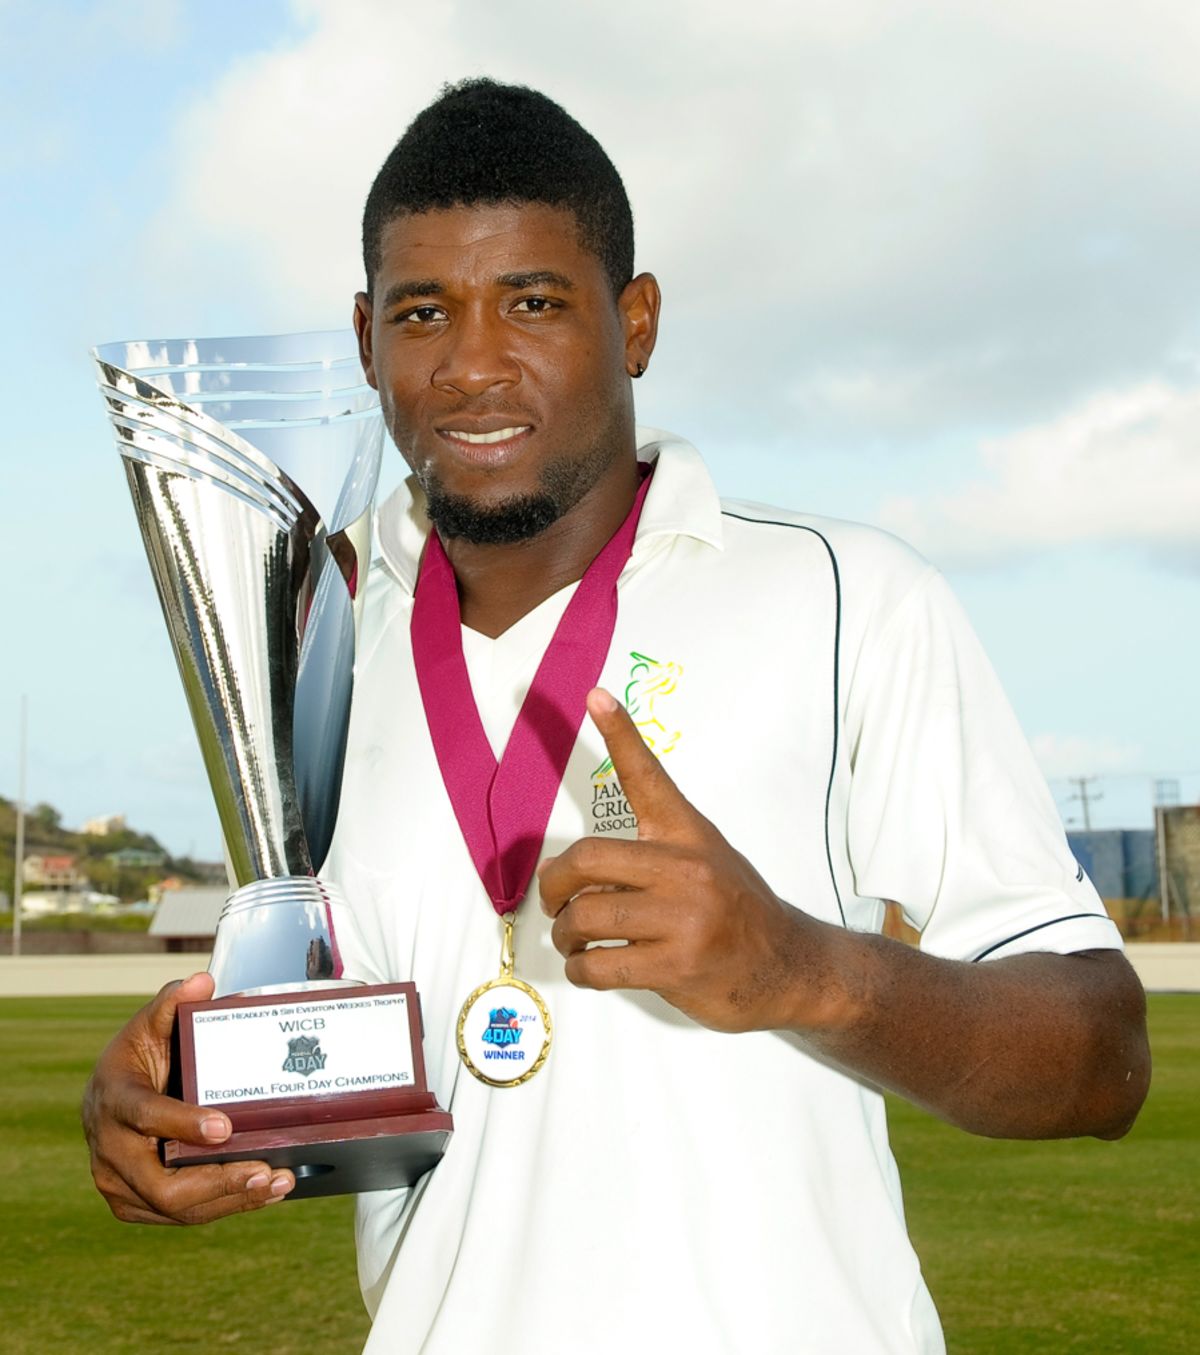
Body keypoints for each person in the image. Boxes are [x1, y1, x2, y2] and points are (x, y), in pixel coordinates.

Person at [83, 79, 1150, 1354]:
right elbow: (320, 1028)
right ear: (368, 337)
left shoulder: (847, 594)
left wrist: (804, 968)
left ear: (635, 321)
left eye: (533, 302)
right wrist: (167, 1097)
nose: (473, 363)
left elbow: (1101, 1054)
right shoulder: (307, 630)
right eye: (424, 313)